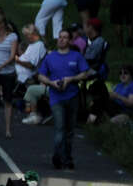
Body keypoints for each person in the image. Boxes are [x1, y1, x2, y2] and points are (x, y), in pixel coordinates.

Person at [37, 29, 92, 170]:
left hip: (72, 96)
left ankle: (67, 158)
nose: (61, 39)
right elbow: (41, 75)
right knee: (60, 127)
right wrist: (51, 83)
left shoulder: (76, 56)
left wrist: (71, 79)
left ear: (69, 41)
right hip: (56, 97)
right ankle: (57, 155)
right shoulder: (50, 57)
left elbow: (85, 73)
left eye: (65, 37)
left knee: (70, 129)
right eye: (60, 37)